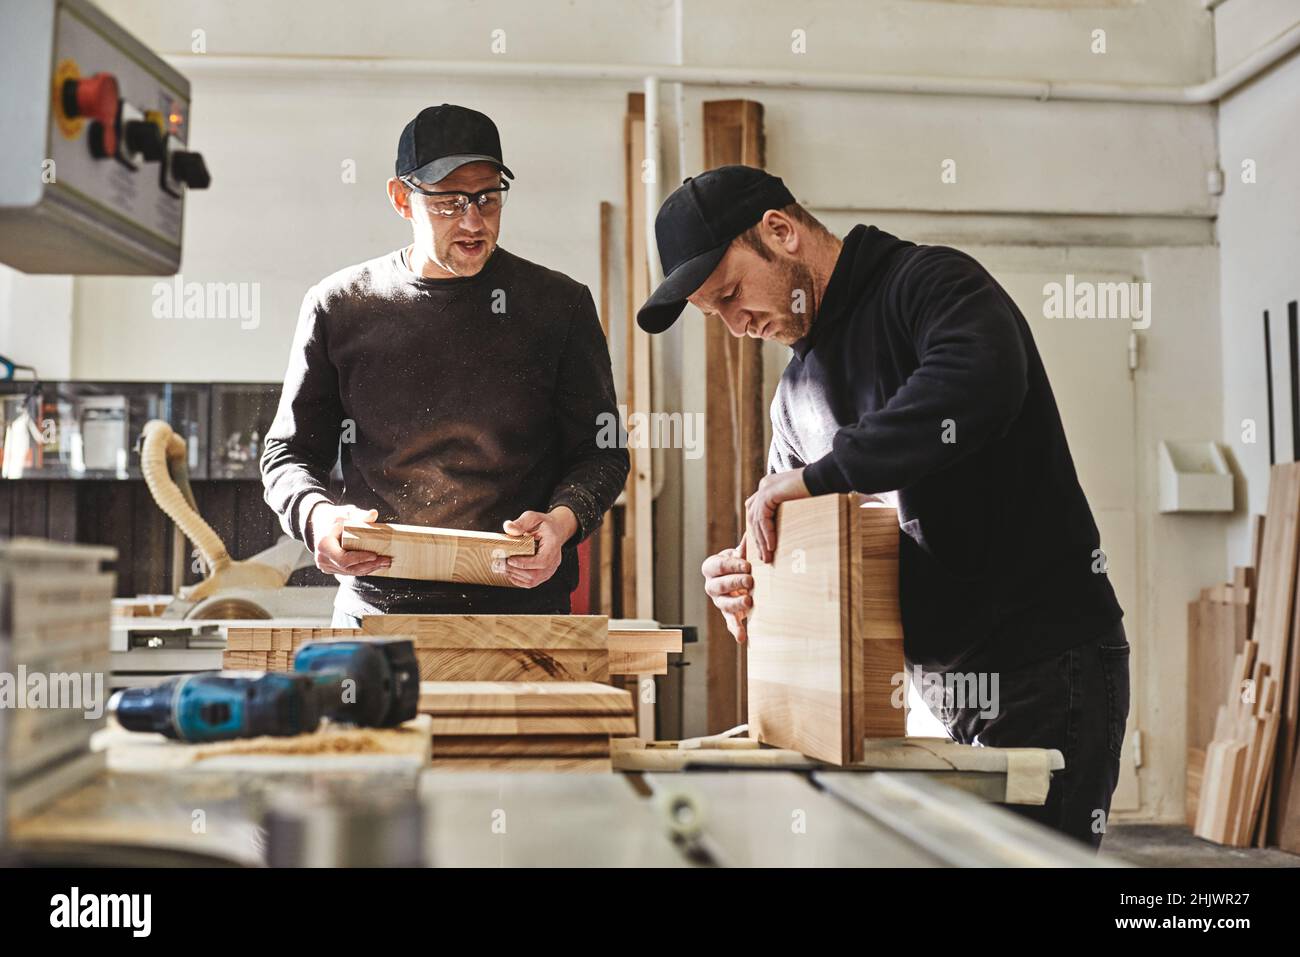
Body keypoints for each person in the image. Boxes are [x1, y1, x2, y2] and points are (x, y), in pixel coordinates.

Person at [639, 164, 1129, 848]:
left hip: (1045, 663)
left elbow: (978, 381)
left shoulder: (929, 285)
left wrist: (823, 475)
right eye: (712, 314)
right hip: (936, 689)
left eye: (730, 294)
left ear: (780, 233)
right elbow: (790, 536)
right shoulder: (795, 395)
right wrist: (751, 580)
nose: (735, 327)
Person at [262, 104, 628, 627]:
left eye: (487, 198)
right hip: (378, 612)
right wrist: (318, 520)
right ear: (401, 199)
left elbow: (603, 451)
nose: (473, 221)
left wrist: (562, 522)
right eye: (448, 202)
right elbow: (288, 454)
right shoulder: (340, 306)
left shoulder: (557, 306)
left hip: (524, 612)